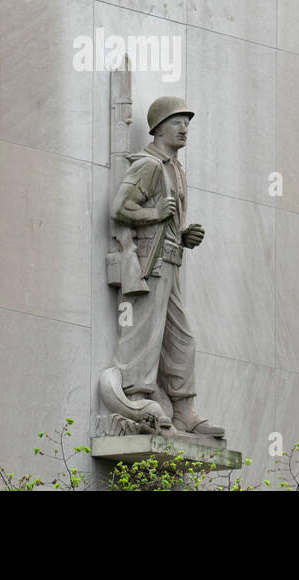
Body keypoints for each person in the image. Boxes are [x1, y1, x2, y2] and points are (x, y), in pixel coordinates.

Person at [107, 96, 224, 438]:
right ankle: (139, 398)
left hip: (172, 259)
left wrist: (185, 235)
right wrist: (154, 214)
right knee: (146, 331)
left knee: (183, 340)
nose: (185, 128)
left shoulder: (175, 169)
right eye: (177, 122)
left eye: (187, 122)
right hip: (151, 262)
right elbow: (120, 208)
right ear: (158, 128)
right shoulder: (149, 165)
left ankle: (184, 410)